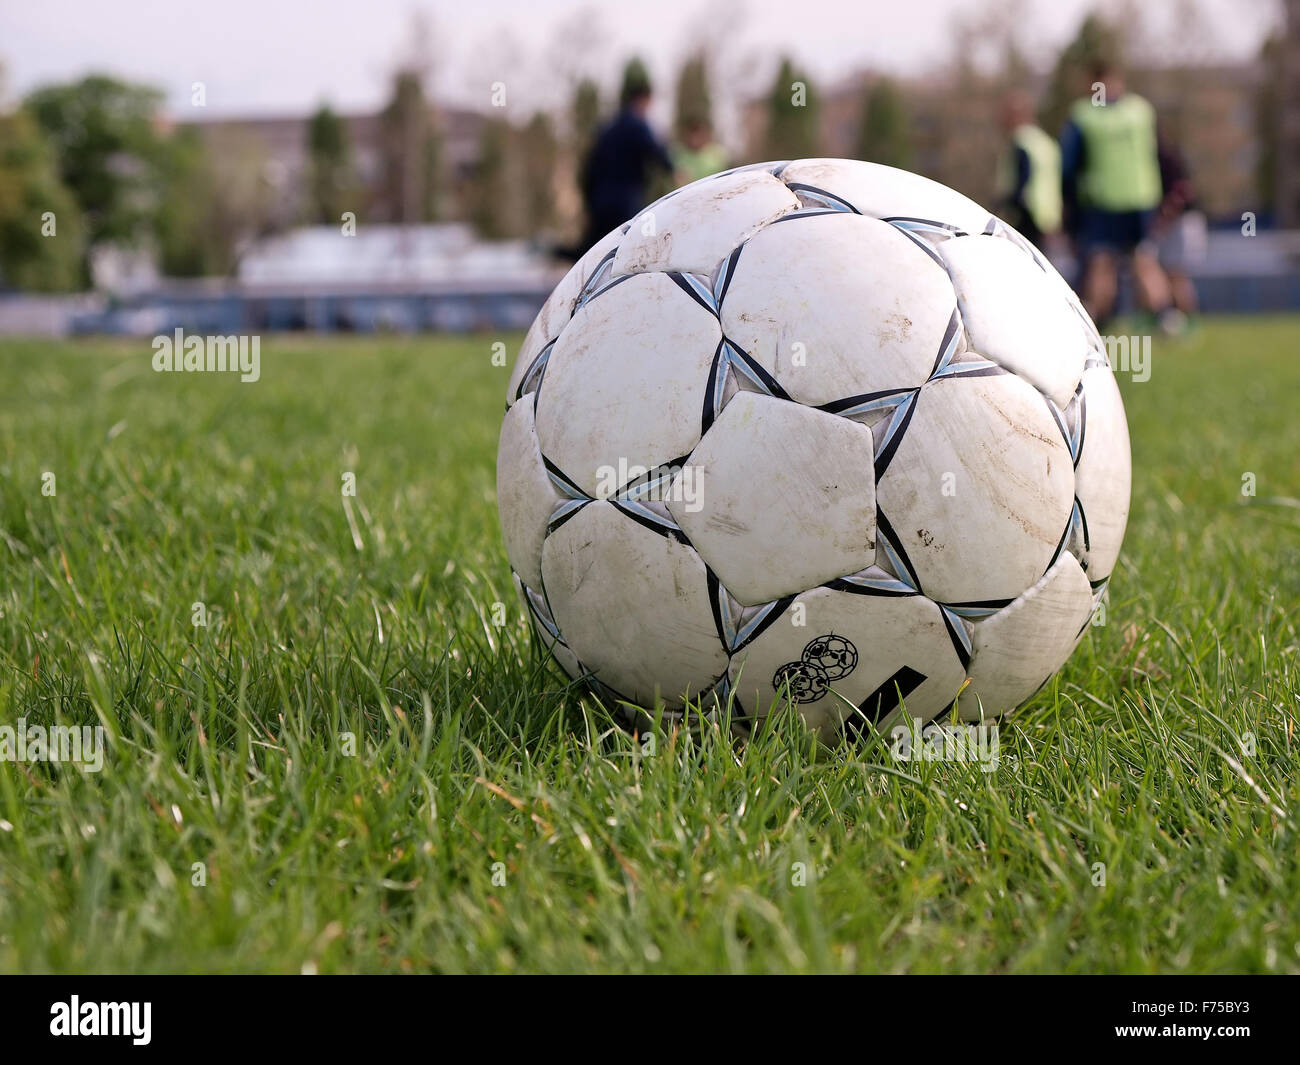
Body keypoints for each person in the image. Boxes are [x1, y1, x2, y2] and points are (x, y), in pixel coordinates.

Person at [1060, 61, 1176, 331]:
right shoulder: (1140, 111)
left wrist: (1069, 205)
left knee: (1102, 263)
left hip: (1104, 200)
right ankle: (1167, 318)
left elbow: (1068, 167)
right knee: (1144, 260)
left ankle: (1094, 324)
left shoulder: (1084, 115)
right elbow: (1162, 153)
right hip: (1142, 197)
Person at [577, 67, 678, 256]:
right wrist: (675, 170)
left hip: (600, 203)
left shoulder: (607, 128)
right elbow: (659, 155)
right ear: (643, 99)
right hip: (626, 203)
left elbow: (589, 170)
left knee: (592, 254)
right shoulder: (638, 125)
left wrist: (590, 202)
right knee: (626, 252)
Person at [995, 90, 1062, 252]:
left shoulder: (1021, 142)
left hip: (1027, 213)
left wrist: (1005, 205)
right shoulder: (1043, 141)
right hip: (1048, 214)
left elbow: (1022, 178)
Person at [1154, 129, 1206, 329]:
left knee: (1177, 274)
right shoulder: (1165, 155)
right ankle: (1180, 321)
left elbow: (1182, 192)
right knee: (1170, 273)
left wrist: (1166, 217)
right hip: (1177, 222)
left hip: (1182, 221)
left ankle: (1189, 323)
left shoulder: (1166, 157)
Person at [675, 118, 728, 186]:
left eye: (698, 135)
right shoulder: (677, 153)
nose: (694, 139)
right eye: (691, 134)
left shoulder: (718, 153)